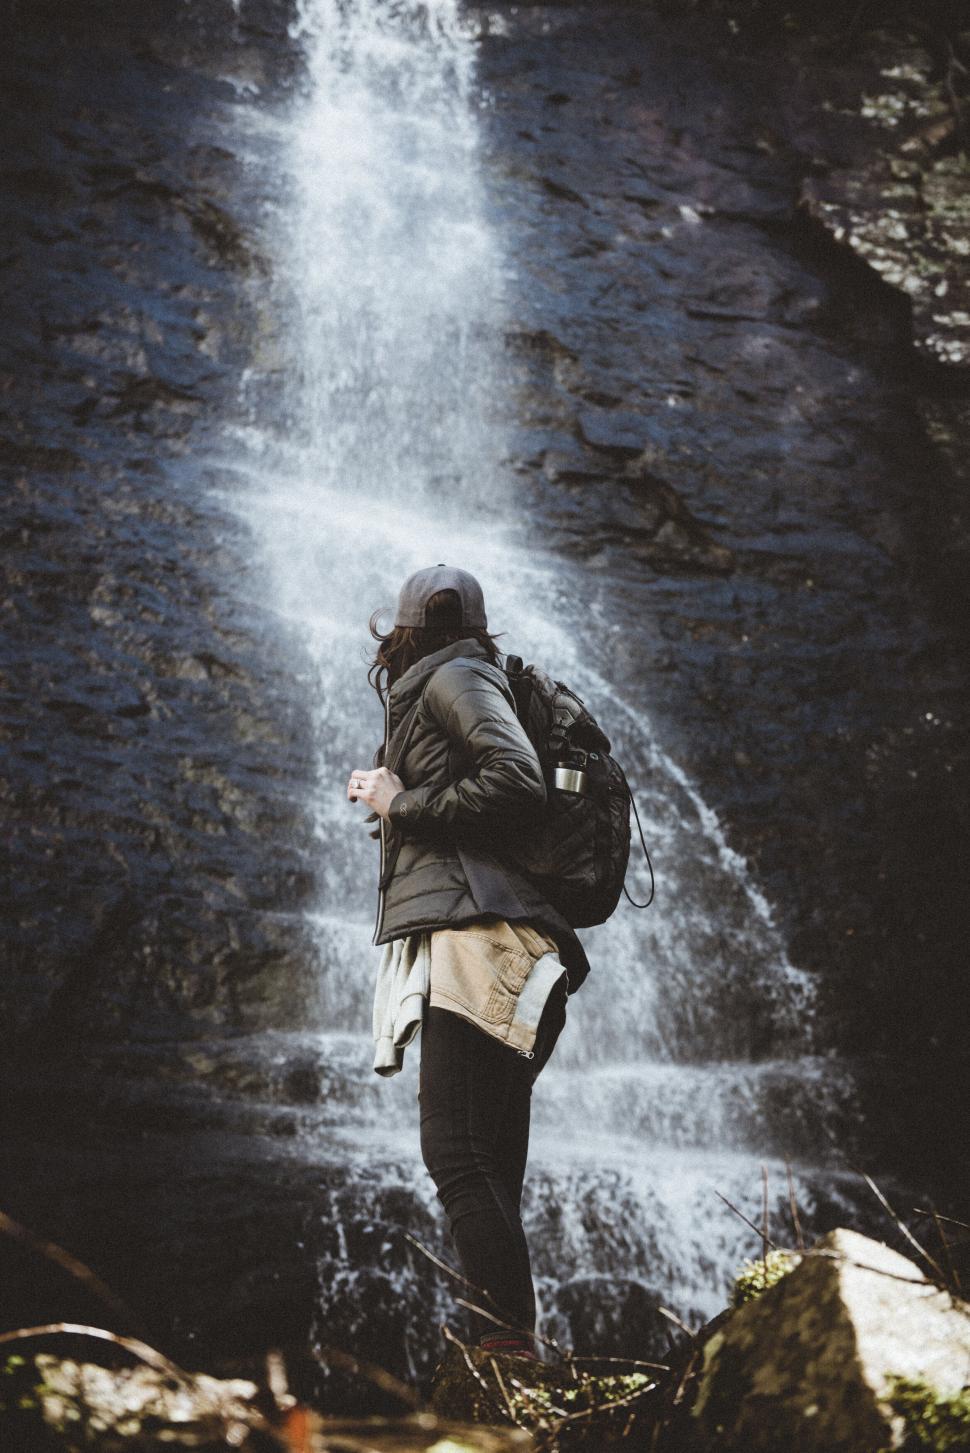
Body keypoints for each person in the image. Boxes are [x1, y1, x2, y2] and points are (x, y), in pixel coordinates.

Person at [346, 564, 590, 1362]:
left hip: (482, 937)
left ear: (405, 630)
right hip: (509, 939)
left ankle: (505, 1348)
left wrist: (400, 804)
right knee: (487, 1159)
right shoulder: (468, 676)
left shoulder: (453, 675)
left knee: (453, 1148)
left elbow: (515, 777)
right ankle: (506, 1352)